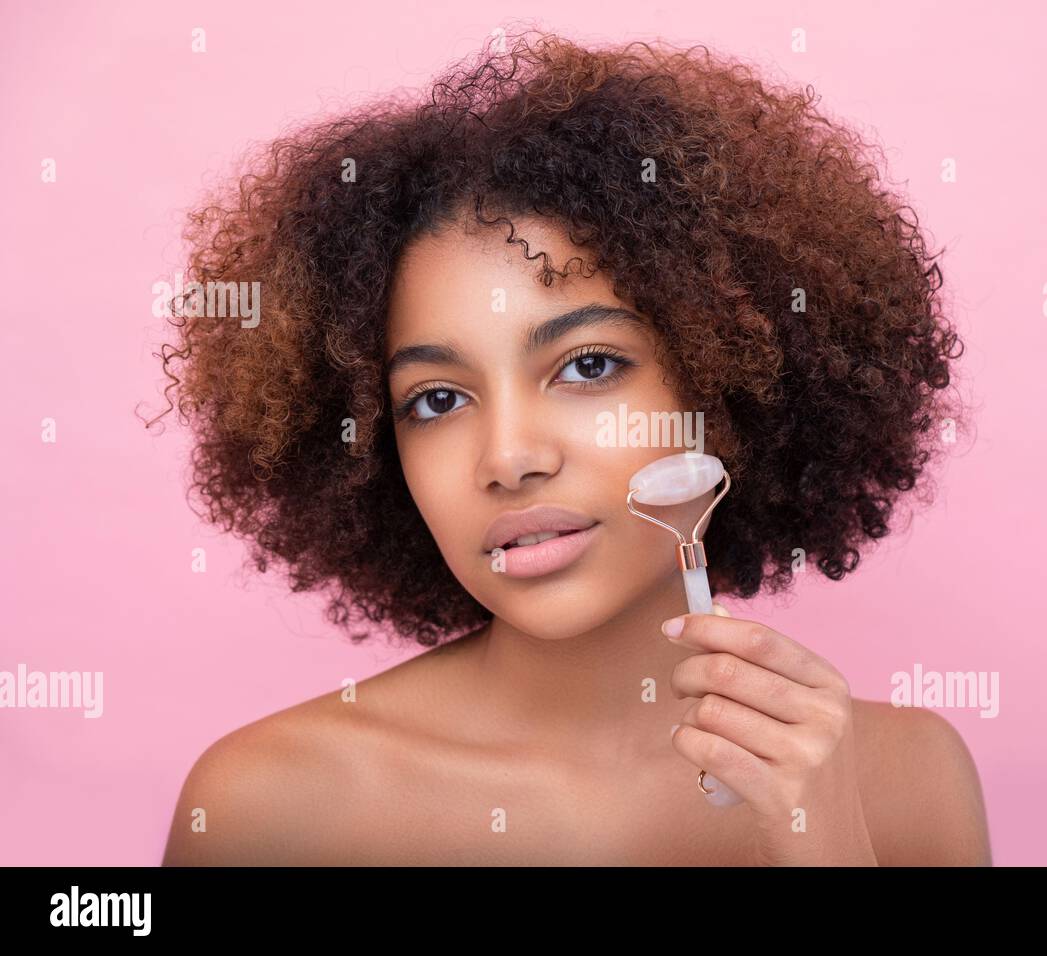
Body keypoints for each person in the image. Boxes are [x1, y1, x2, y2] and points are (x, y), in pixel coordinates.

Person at [156, 29, 989, 866]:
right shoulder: (267, 810)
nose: (510, 458)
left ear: (728, 381)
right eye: (438, 399)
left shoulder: (905, 780)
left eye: (589, 365)